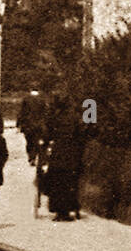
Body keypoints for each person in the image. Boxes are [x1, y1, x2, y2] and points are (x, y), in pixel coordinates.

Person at [42, 94, 85, 222]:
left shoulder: (54, 118)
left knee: (56, 182)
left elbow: (47, 135)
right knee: (70, 182)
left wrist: (45, 144)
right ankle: (69, 210)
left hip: (57, 154)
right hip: (72, 154)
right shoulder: (75, 118)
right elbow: (81, 136)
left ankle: (59, 212)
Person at [17, 89, 47, 165]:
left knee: (29, 141)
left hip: (28, 125)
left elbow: (22, 112)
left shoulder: (26, 99)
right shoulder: (42, 100)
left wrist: (18, 124)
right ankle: (40, 157)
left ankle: (31, 157)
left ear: (30, 90)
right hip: (39, 125)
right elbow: (45, 113)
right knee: (38, 141)